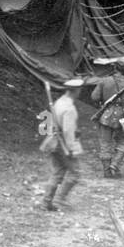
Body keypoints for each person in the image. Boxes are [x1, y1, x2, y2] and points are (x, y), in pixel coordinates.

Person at [41, 78, 85, 211]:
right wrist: (71, 149)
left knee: (58, 172)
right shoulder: (69, 108)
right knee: (75, 173)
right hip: (63, 144)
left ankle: (46, 202)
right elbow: (68, 131)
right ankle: (60, 199)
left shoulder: (59, 102)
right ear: (76, 91)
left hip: (53, 141)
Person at [89, 56, 124, 178]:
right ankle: (114, 165)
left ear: (115, 68)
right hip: (123, 117)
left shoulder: (105, 81)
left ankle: (107, 171)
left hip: (106, 116)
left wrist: (101, 105)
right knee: (123, 142)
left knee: (105, 144)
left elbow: (94, 97)